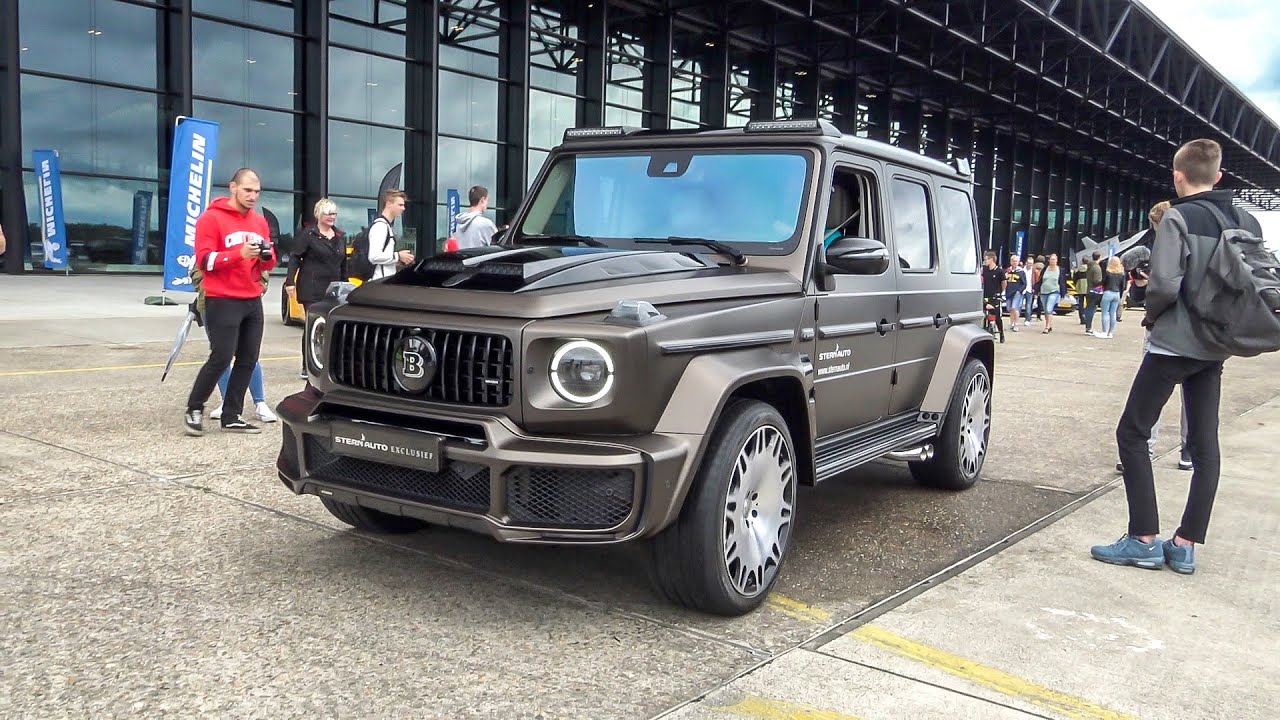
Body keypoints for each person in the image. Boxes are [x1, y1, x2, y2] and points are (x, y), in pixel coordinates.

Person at [1091, 138, 1262, 575]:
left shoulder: (1179, 216)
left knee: (1132, 432)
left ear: (1177, 175)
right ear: (1219, 176)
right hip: (1216, 346)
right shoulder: (1246, 219)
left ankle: (1143, 538)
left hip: (1173, 343)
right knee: (1205, 445)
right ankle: (1185, 544)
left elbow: (1165, 284)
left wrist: (1150, 315)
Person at [183, 168, 277, 436]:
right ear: (233, 187)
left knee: (248, 358)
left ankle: (232, 414)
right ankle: (194, 408)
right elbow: (204, 261)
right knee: (222, 357)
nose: (253, 196)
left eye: (257, 191)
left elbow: (269, 260)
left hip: (251, 298)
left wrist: (266, 256)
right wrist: (238, 254)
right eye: (248, 190)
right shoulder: (211, 219)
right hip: (222, 298)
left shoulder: (259, 221)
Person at [287, 197, 347, 377]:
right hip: (312, 287)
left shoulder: (339, 236)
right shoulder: (309, 234)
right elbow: (295, 257)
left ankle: (328, 364)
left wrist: (346, 285)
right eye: (328, 213)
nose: (332, 217)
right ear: (319, 214)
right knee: (313, 326)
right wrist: (290, 281)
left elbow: (343, 263)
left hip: (333, 289)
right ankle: (307, 365)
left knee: (331, 327)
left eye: (334, 213)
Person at [366, 188, 414, 281]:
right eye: (400, 205)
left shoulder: (386, 226)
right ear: (388, 204)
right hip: (379, 282)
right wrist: (398, 256)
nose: (403, 208)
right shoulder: (380, 226)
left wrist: (398, 259)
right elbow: (374, 256)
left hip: (383, 281)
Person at [1098, 255, 1126, 339]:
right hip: (1116, 294)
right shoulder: (1122, 274)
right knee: (1113, 313)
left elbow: (1103, 282)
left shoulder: (1107, 272)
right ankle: (1110, 333)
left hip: (1108, 292)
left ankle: (1104, 331)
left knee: (1105, 313)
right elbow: (1123, 286)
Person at [981, 251, 1006, 343]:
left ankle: (1001, 333)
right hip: (985, 295)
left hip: (995, 296)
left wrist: (999, 292)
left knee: (997, 316)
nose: (985, 261)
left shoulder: (999, 271)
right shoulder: (985, 270)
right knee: (984, 314)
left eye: (986, 259)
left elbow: (1004, 283)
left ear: (992, 259)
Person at [1038, 253, 1063, 334]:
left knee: (1049, 309)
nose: (1053, 261)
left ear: (1057, 260)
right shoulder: (1045, 269)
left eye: (1054, 259)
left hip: (1054, 291)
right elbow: (1040, 280)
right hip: (1043, 291)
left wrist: (1063, 293)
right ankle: (1049, 324)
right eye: (1051, 259)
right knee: (1046, 310)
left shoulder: (1060, 270)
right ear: (1049, 260)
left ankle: (1047, 327)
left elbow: (1062, 282)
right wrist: (1037, 290)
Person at [1004, 254, 1026, 331]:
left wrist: (1019, 291)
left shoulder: (1021, 272)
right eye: (1013, 261)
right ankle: (1012, 323)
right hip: (1008, 292)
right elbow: (1003, 281)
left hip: (1017, 293)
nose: (1014, 262)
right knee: (1009, 308)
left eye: (1016, 261)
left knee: (1014, 307)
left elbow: (1024, 283)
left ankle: (1016, 324)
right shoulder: (1007, 271)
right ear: (1010, 262)